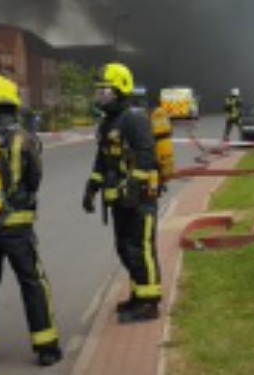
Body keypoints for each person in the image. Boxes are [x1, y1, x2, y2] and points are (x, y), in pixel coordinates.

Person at [0, 76, 62, 370]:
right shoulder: (24, 139)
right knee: (32, 283)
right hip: (17, 228)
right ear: (14, 105)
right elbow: (35, 179)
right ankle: (46, 348)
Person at [82, 62, 163, 323]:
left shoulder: (134, 119)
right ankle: (138, 296)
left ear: (121, 90)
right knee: (125, 248)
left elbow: (146, 157)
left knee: (141, 249)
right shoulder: (108, 123)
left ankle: (150, 303)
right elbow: (103, 159)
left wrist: (132, 187)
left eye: (106, 91)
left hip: (139, 201)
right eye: (100, 91)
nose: (101, 96)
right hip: (119, 202)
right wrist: (92, 186)